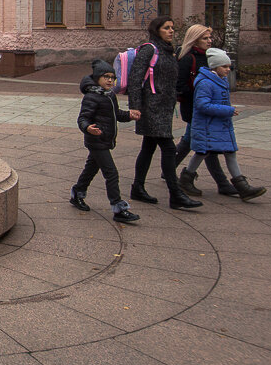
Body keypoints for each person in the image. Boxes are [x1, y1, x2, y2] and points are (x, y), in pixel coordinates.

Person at [127, 16, 203, 210]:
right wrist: (134, 106)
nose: (171, 31)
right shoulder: (149, 49)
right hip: (150, 107)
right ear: (156, 31)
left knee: (149, 147)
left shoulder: (168, 51)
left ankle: (138, 187)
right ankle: (175, 194)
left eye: (172, 28)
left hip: (164, 107)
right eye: (166, 28)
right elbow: (135, 79)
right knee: (169, 149)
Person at [185, 49, 267, 201]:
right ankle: (186, 178)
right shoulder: (205, 83)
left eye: (229, 66)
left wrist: (226, 111)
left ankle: (242, 186)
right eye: (224, 66)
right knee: (203, 152)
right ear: (215, 67)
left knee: (229, 152)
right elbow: (202, 105)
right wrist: (227, 110)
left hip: (219, 126)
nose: (228, 70)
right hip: (208, 126)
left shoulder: (219, 81)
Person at [71, 60, 143, 223]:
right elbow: (83, 118)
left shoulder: (109, 95)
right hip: (96, 140)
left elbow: (116, 114)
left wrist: (129, 115)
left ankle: (77, 193)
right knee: (111, 173)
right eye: (106, 77)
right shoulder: (92, 96)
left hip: (104, 139)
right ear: (97, 78)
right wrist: (88, 127)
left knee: (90, 169)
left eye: (113, 77)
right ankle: (118, 208)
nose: (110, 80)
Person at [174, 24, 237, 197]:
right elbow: (180, 86)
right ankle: (222, 183)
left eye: (210, 38)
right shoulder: (188, 58)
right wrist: (201, 94)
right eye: (205, 38)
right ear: (195, 40)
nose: (209, 41)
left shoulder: (210, 57)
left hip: (207, 108)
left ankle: (169, 169)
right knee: (207, 146)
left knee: (190, 141)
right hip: (196, 108)